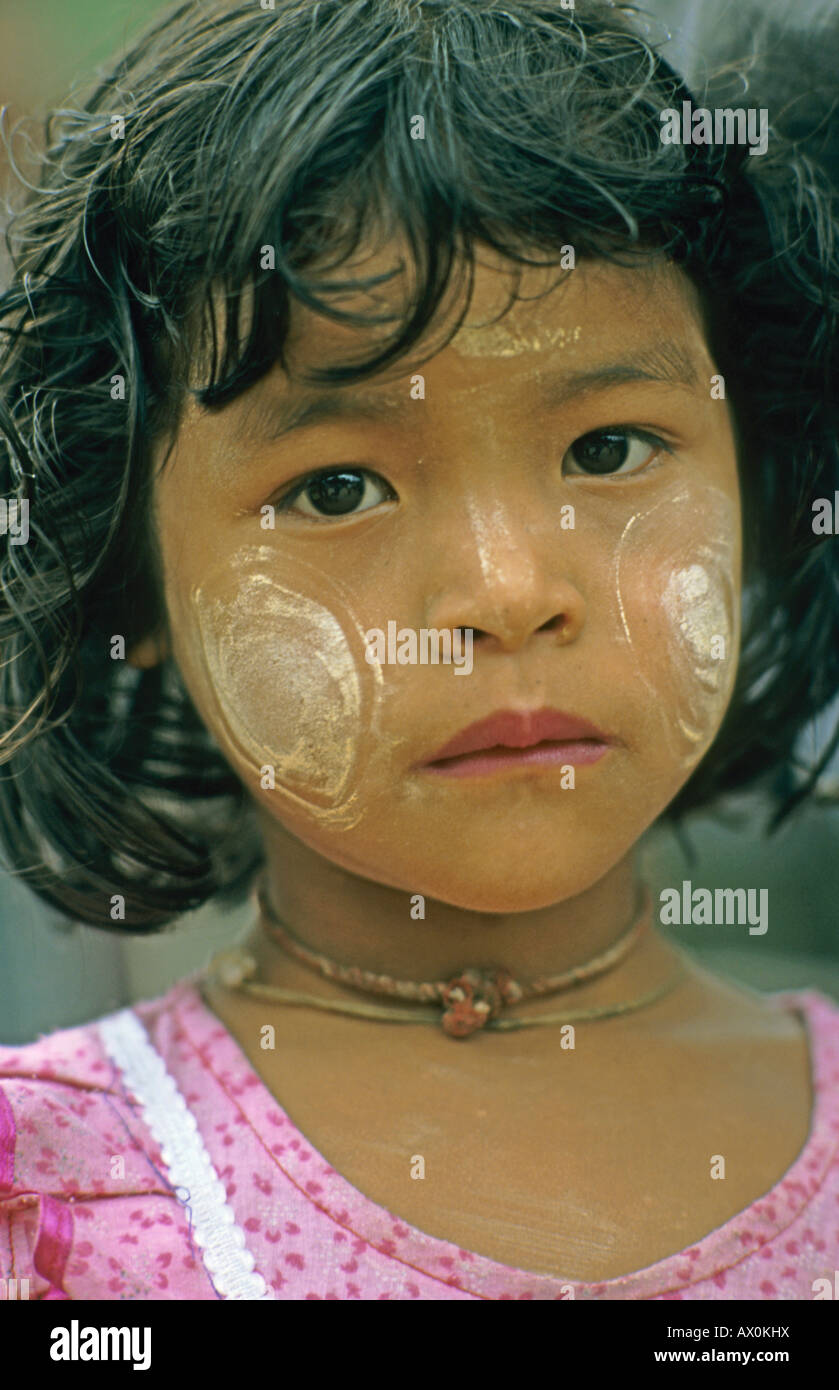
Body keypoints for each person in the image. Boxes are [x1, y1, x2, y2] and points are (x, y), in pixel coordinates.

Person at [1, 0, 838, 1301]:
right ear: (133, 577)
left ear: (763, 491)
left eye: (607, 448)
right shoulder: (52, 1200)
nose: (509, 591)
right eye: (335, 486)